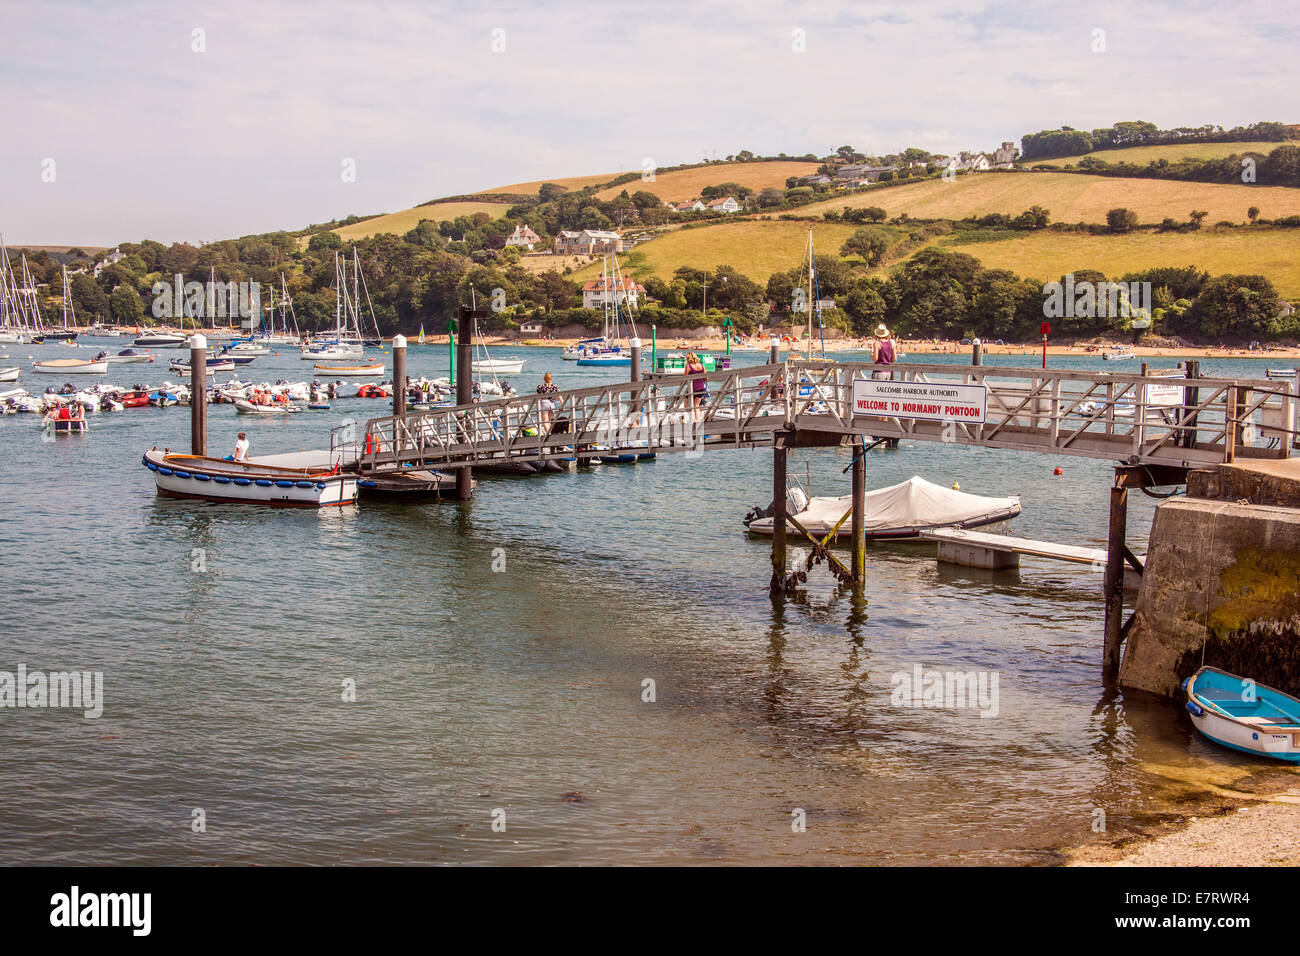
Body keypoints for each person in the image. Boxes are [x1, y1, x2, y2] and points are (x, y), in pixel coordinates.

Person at [684, 352, 707, 421]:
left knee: (686, 405)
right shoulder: (701, 365)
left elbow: (685, 377)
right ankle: (697, 419)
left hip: (692, 388)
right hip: (701, 387)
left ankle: (693, 419)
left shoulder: (688, 366)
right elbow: (706, 377)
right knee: (696, 405)